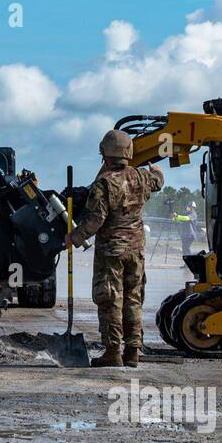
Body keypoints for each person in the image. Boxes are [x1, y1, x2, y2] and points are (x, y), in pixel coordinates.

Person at [67, 129, 164, 367]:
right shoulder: (142, 177)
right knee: (133, 298)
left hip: (111, 251)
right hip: (136, 249)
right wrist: (157, 171)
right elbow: (158, 182)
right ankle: (133, 351)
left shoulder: (104, 183)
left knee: (111, 299)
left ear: (105, 153)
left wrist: (74, 237)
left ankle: (113, 351)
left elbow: (95, 220)